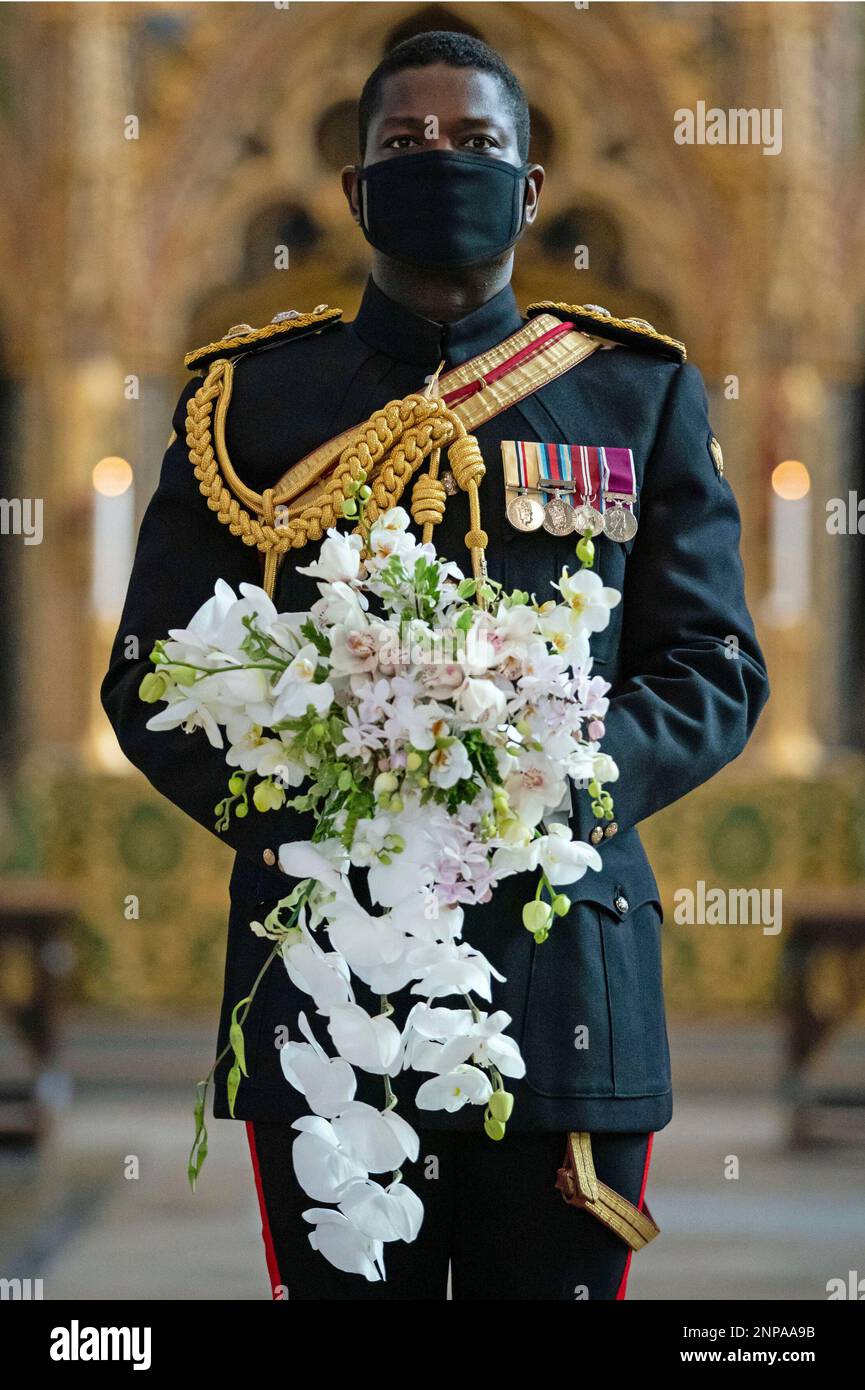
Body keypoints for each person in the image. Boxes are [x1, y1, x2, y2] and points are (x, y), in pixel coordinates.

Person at [101, 30, 770, 1300]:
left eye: (474, 145)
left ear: (528, 190)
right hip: (324, 975)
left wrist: (554, 770)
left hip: (563, 968)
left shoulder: (636, 397)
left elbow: (715, 668)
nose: (440, 164)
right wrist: (332, 795)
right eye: (406, 145)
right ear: (355, 192)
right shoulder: (248, 402)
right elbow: (149, 675)